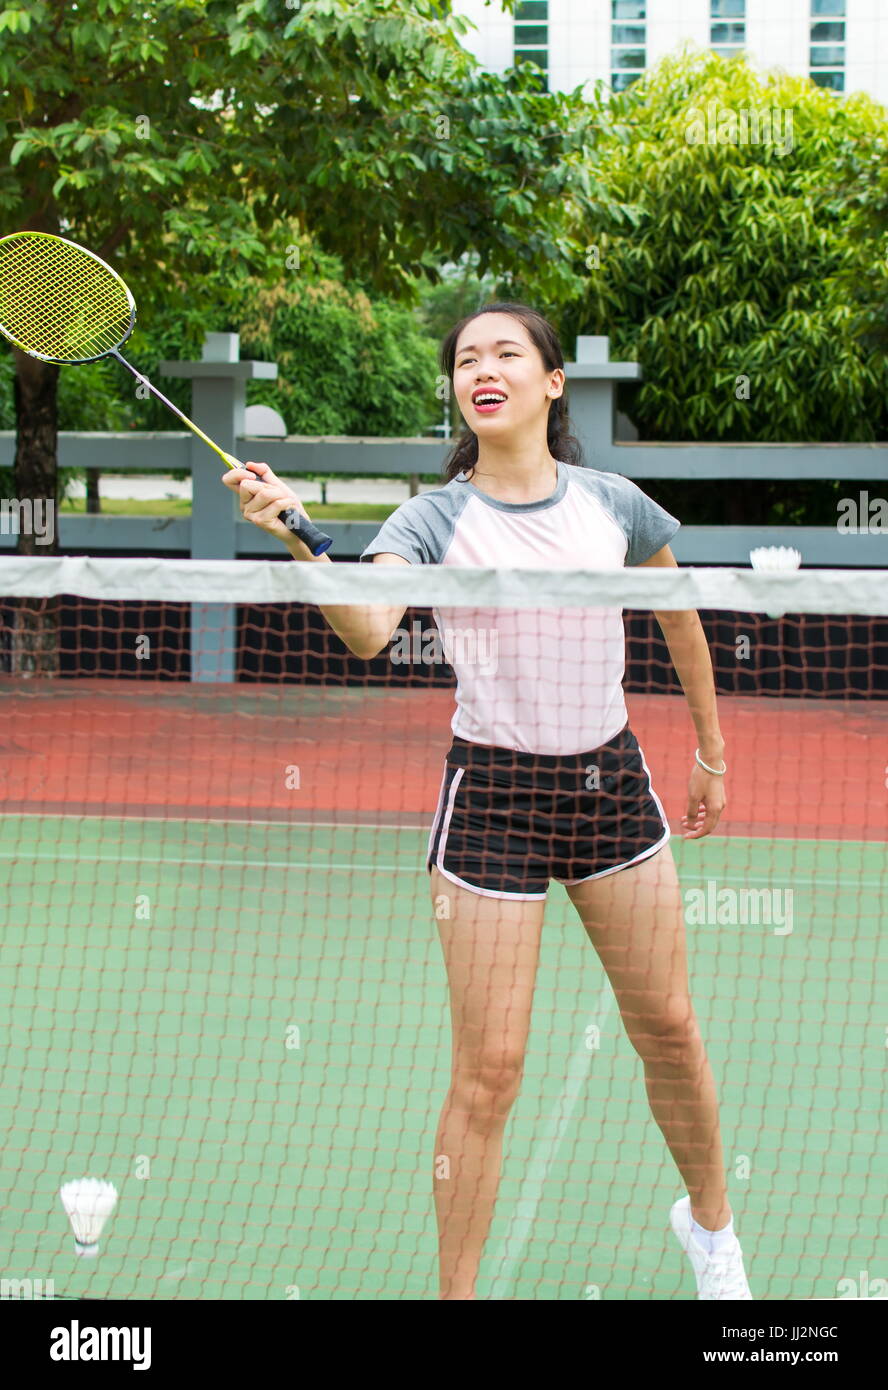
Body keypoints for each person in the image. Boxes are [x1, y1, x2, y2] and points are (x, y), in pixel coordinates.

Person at [222, 302, 753, 1302]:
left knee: (671, 1028)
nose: (484, 366)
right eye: (468, 358)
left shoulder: (614, 504)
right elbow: (371, 630)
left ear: (551, 383)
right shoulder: (432, 519)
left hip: (611, 788)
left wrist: (712, 752)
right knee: (491, 1070)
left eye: (508, 351)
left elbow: (679, 615)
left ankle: (713, 1232)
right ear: (460, 392)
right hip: (494, 797)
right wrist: (299, 538)